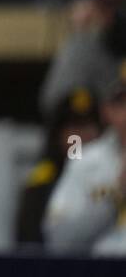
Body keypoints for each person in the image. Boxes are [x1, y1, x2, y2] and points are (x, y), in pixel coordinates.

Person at [43, 77, 126, 254]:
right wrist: (115, 195)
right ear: (107, 111)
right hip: (101, 273)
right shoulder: (86, 162)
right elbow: (58, 237)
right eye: (121, 104)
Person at [16, 88, 102, 245]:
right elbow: (30, 236)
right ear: (58, 134)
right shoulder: (44, 178)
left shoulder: (110, 170)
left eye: (89, 126)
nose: (82, 136)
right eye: (74, 128)